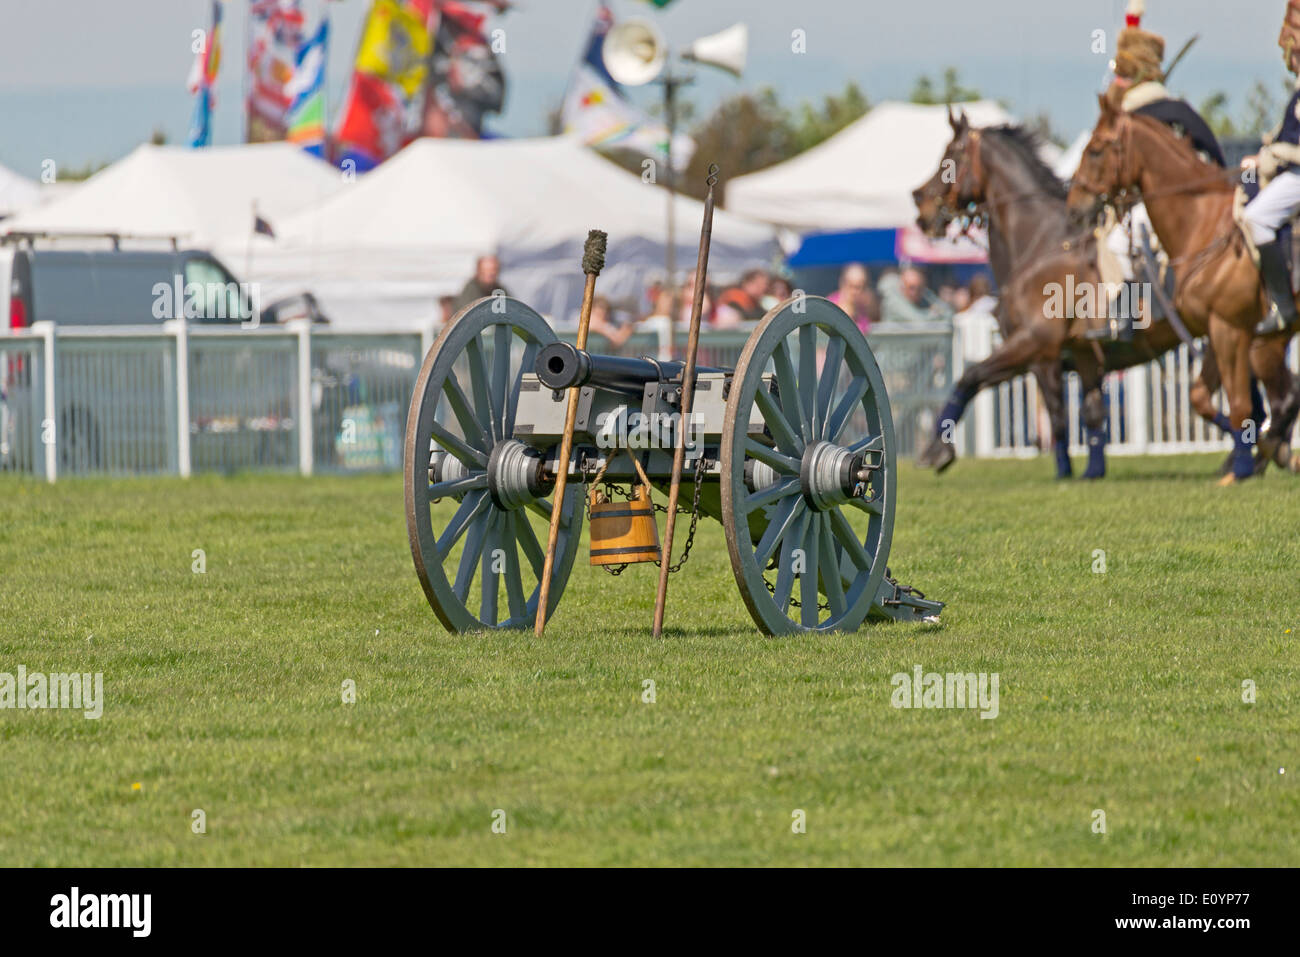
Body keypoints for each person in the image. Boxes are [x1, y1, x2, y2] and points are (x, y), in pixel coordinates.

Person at [1095, 0, 1226, 340]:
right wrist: (1132, 21)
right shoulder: (1153, 112)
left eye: (1122, 73)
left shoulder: (1156, 115)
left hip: (1175, 203)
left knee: (1120, 242)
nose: (1116, 80)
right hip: (1151, 200)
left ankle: (1129, 316)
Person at [1243, 0, 1300, 333]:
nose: (1289, 61)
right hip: (1285, 170)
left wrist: (1273, 154)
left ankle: (1282, 305)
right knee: (1246, 190)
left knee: (1255, 218)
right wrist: (1261, 157)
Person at [880, 266, 948, 323]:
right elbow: (918, 320)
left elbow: (948, 312)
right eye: (911, 288)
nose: (915, 292)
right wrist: (934, 313)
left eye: (920, 288)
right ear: (902, 287)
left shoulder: (923, 294)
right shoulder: (892, 301)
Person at [827, 262, 879, 334]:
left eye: (860, 287)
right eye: (851, 286)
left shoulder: (866, 306)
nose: (855, 292)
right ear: (842, 284)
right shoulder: (829, 306)